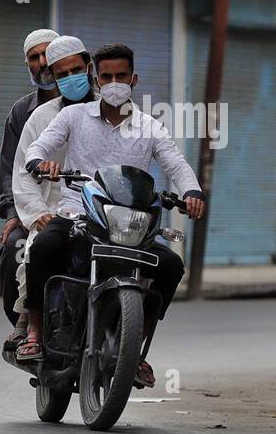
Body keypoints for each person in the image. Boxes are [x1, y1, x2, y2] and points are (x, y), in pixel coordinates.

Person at [20, 43, 206, 388]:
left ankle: (137, 348)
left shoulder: (151, 128)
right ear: (97, 78)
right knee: (43, 247)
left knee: (170, 266)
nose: (114, 82)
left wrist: (191, 192)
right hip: (79, 213)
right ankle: (33, 331)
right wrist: (39, 163)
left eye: (121, 76)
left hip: (130, 224)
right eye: (107, 76)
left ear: (134, 79)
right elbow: (39, 146)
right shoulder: (73, 117)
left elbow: (175, 163)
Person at [3, 35, 96, 350]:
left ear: (89, 68)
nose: (70, 79)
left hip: (103, 212)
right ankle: (32, 326)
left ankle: (130, 344)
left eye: (76, 71)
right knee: (33, 250)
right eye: (62, 74)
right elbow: (18, 168)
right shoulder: (36, 116)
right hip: (51, 209)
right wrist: (32, 213)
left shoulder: (115, 113)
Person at [0, 28, 59, 326]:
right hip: (32, 207)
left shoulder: (90, 104)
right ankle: (21, 323)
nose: (43, 61)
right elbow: (11, 167)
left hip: (82, 204)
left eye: (48, 54)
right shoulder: (21, 112)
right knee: (15, 246)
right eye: (34, 57)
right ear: (28, 65)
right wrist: (14, 212)